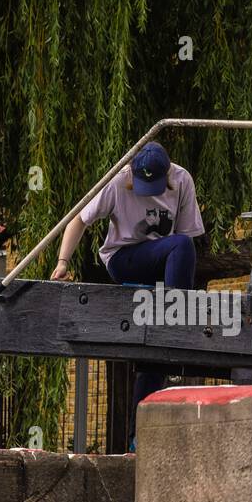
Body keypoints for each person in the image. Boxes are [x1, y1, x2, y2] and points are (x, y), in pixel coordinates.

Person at [51, 143, 205, 440]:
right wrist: (62, 262)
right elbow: (79, 219)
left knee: (156, 355)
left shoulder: (182, 179)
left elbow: (185, 235)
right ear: (133, 175)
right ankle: (175, 317)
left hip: (161, 260)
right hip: (124, 260)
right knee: (180, 247)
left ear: (168, 176)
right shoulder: (118, 181)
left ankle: (138, 436)